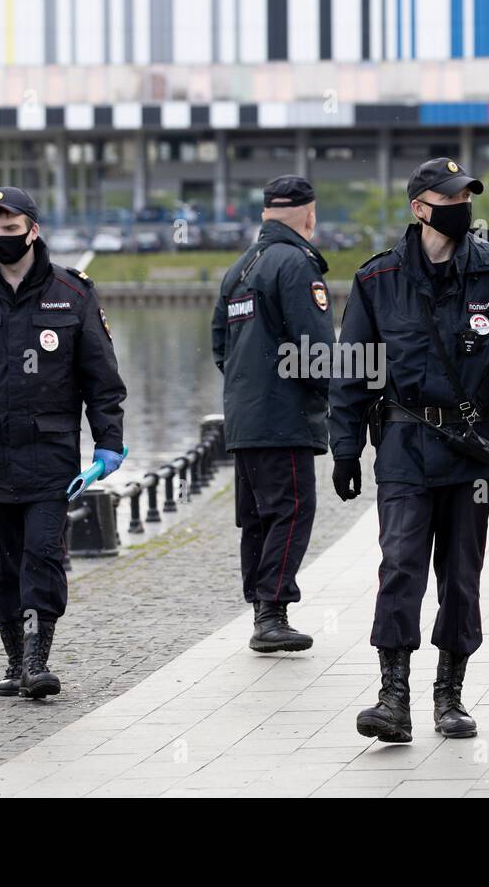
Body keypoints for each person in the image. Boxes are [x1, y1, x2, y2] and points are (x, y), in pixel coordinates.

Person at [328, 157, 489, 742]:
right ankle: (393, 696)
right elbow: (351, 371)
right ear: (419, 208)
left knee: (461, 576)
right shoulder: (377, 281)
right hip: (403, 446)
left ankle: (449, 694)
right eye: (450, 197)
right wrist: (346, 449)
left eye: (467, 196)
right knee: (399, 567)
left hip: (473, 451)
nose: (463, 206)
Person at [0, 186, 128, 699]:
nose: (1, 239)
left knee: (41, 556)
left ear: (33, 230)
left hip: (52, 456)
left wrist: (109, 443)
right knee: (2, 564)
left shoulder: (72, 294)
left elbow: (101, 379)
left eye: (10, 230)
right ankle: (14, 661)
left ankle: (38, 660)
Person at [211, 175, 335, 652]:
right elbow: (315, 348)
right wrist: (340, 397)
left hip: (245, 419)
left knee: (260, 516)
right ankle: (272, 612)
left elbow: (220, 348)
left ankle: (263, 610)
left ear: (265, 214)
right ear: (309, 215)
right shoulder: (296, 264)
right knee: (292, 509)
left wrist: (252, 387)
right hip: (284, 418)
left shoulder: (240, 268)